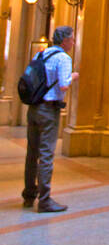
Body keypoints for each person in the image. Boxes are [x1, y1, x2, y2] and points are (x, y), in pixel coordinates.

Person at [22, 25, 78, 213]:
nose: (73, 42)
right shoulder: (63, 58)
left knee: (32, 153)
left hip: (33, 108)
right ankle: (44, 200)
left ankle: (29, 195)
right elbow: (63, 85)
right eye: (71, 39)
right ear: (64, 41)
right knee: (46, 155)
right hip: (48, 110)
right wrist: (73, 77)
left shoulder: (40, 55)